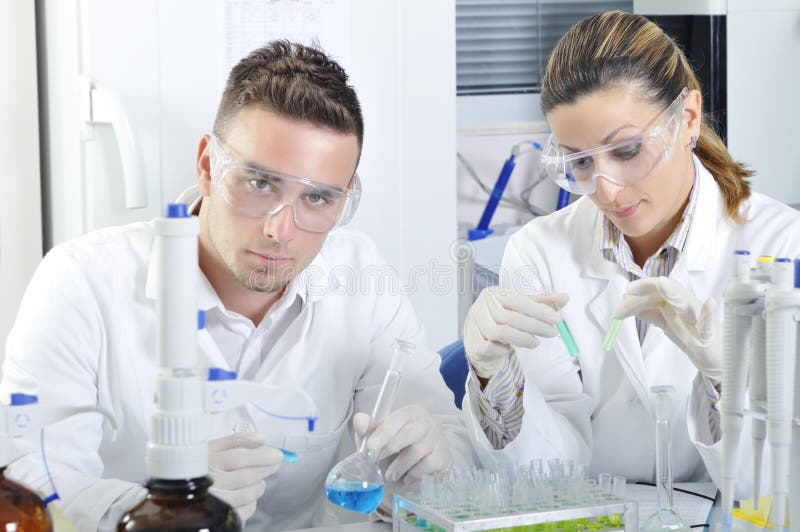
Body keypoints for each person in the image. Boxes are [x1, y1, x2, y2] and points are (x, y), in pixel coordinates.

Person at [0, 41, 474, 531]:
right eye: (260, 183)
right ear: (207, 166)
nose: (281, 229)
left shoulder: (361, 279)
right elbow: (33, 480)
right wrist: (161, 506)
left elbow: (455, 454)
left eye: (317, 198)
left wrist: (436, 459)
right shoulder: (81, 284)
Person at [459, 11, 800, 495]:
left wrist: (722, 377)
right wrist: (495, 377)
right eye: (579, 162)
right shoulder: (538, 252)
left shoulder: (781, 247)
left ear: (687, 119)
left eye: (625, 150)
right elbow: (545, 472)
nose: (606, 189)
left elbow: (774, 481)